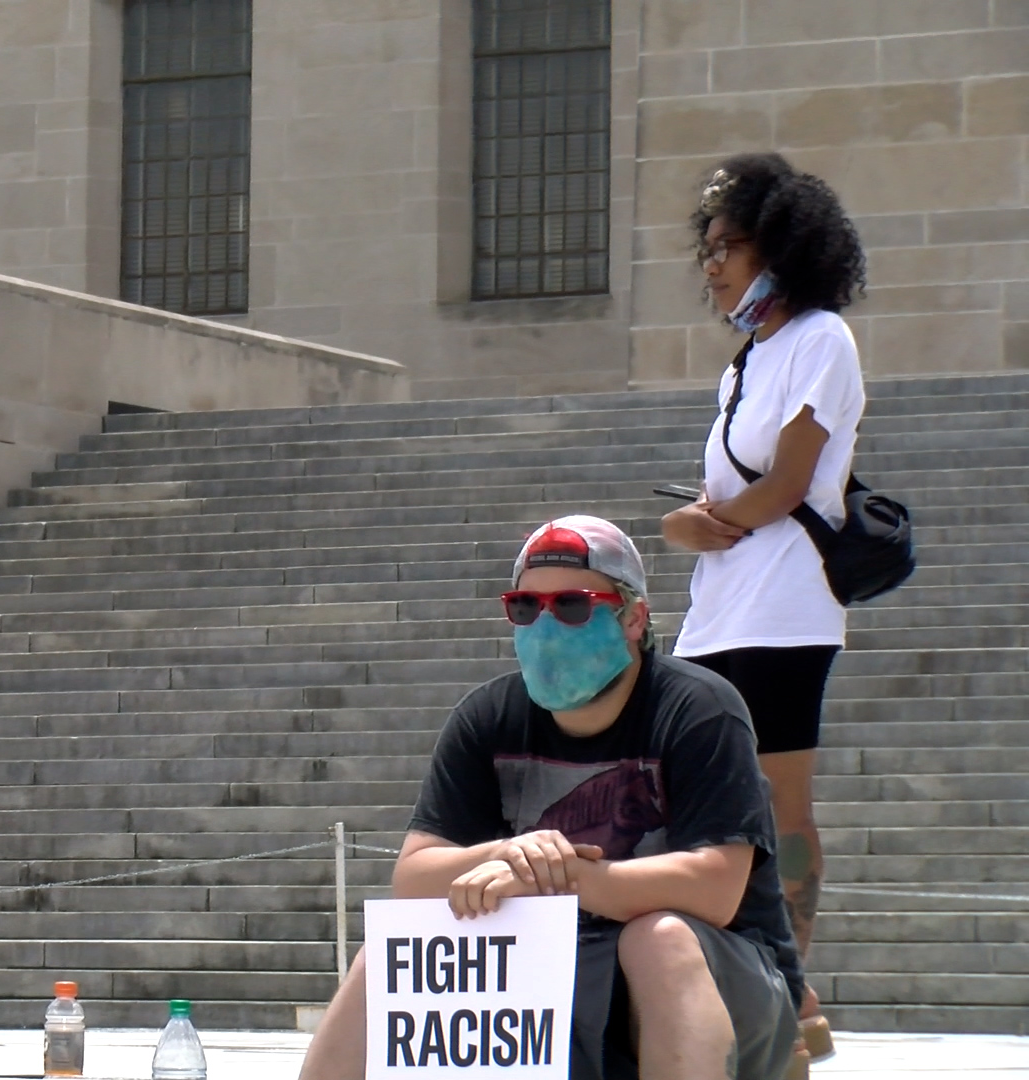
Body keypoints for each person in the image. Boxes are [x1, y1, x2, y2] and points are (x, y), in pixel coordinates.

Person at [297, 516, 802, 1080]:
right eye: (524, 606)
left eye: (572, 605)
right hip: (551, 969)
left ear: (633, 618)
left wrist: (557, 876)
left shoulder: (699, 708)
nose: (544, 623)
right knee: (389, 956)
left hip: (721, 979)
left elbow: (714, 890)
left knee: (657, 938)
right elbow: (413, 878)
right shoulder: (487, 716)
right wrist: (509, 855)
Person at [661, 152, 868, 1060]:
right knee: (704, 799)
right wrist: (685, 526)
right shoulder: (744, 363)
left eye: (730, 246)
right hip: (717, 611)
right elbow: (728, 498)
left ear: (782, 250)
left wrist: (702, 524)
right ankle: (780, 992)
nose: (713, 265)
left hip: (784, 611)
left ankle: (790, 996)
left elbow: (788, 484)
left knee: (781, 805)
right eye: (706, 249)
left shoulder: (822, 339)